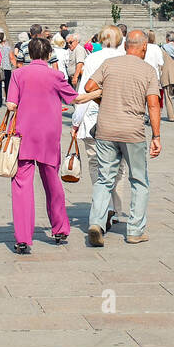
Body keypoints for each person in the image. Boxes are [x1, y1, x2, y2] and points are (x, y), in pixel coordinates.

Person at [79, 30, 161, 246]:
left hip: (106, 130)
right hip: (132, 132)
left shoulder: (109, 64)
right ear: (143, 47)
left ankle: (96, 222)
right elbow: (153, 104)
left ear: (126, 47)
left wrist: (104, 99)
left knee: (105, 179)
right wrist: (156, 136)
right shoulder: (148, 70)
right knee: (139, 180)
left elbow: (89, 87)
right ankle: (135, 230)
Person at [4, 36, 75, 254]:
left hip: (24, 134)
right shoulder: (56, 75)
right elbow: (74, 98)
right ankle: (60, 227)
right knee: (52, 180)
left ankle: (23, 238)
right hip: (48, 135)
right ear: (48, 54)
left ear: (29, 54)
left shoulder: (18, 74)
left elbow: (11, 104)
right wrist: (98, 93)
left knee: (22, 184)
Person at [72, 24, 128, 229]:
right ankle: (115, 208)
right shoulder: (127, 58)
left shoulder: (92, 59)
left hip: (94, 118)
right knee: (119, 167)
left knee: (96, 164)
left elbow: (84, 93)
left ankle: (102, 207)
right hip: (121, 119)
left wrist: (76, 122)